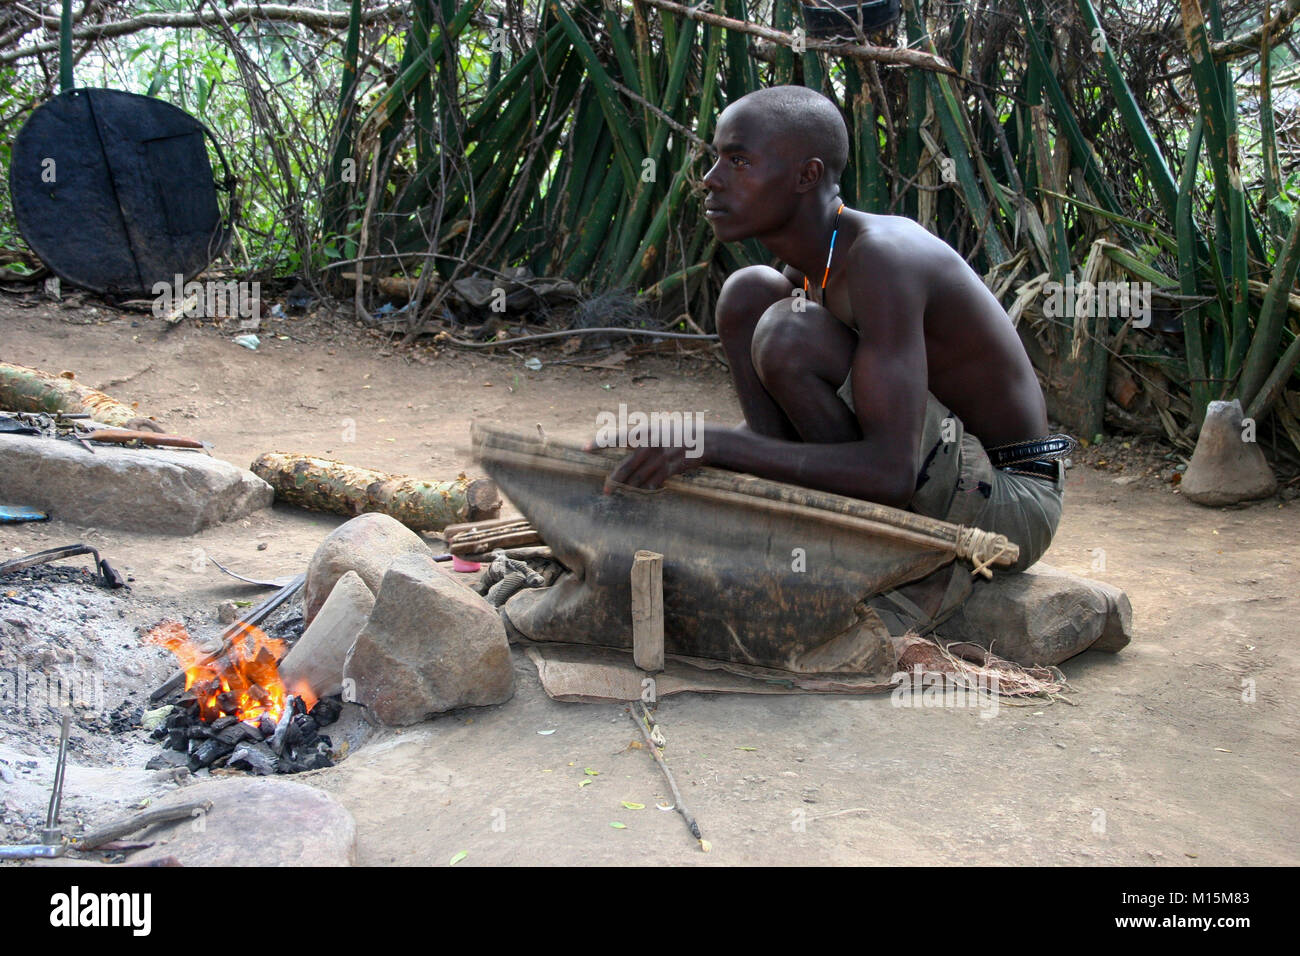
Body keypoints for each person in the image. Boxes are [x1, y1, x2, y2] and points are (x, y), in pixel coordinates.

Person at [606, 85, 1073, 574]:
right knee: (747, 295)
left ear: (808, 175)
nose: (710, 179)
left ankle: (844, 542)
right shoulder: (813, 266)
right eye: (717, 158)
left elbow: (892, 473)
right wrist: (673, 445)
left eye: (738, 161)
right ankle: (790, 518)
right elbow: (779, 437)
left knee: (786, 332)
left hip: (1009, 500)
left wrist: (712, 444)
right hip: (940, 471)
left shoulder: (882, 258)